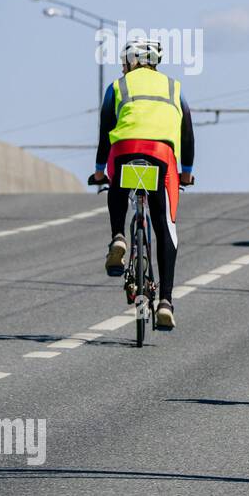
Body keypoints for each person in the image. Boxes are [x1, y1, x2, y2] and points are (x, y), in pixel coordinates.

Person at [88, 39, 195, 329]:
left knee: (116, 184)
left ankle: (118, 237)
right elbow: (187, 133)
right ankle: (166, 302)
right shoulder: (174, 88)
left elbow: (105, 133)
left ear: (132, 62)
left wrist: (99, 172)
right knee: (165, 225)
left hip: (124, 150)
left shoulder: (118, 87)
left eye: (124, 63)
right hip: (161, 156)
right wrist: (186, 172)